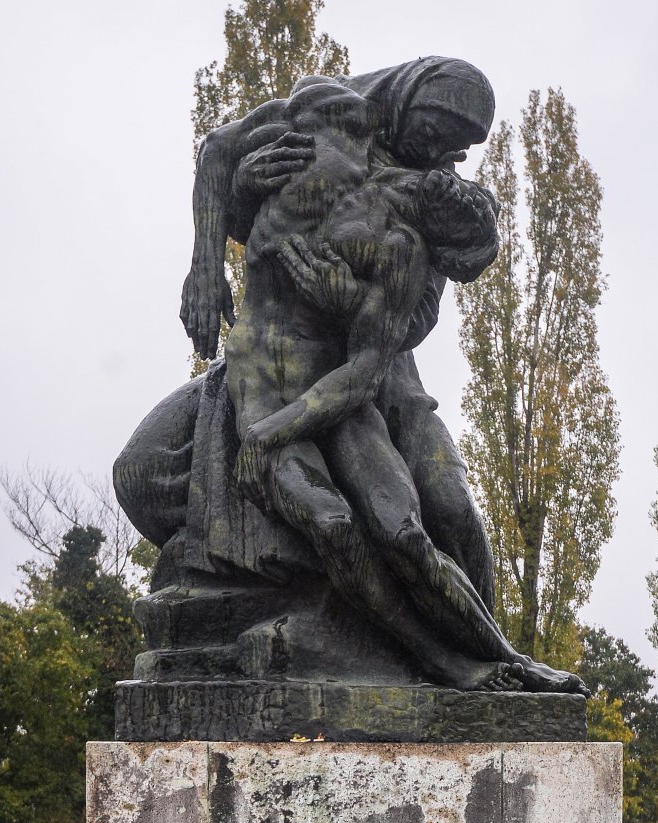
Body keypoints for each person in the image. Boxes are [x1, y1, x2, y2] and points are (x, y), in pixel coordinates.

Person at [224, 77, 540, 692]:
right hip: (263, 368)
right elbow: (225, 159)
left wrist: (349, 309)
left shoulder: (403, 252)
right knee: (335, 523)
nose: (448, 166)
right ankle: (445, 659)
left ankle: (506, 661)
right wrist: (234, 198)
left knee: (411, 528)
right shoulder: (341, 124)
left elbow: (368, 371)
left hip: (345, 388)